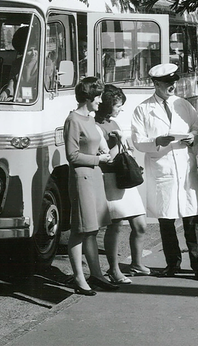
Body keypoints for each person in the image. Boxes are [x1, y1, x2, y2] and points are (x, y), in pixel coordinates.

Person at [130, 62, 198, 281]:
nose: (172, 87)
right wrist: (157, 140)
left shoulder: (183, 105)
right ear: (156, 84)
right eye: (167, 83)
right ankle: (172, 264)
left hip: (184, 166)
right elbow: (138, 140)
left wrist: (193, 138)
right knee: (166, 220)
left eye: (174, 82)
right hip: (163, 168)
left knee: (192, 218)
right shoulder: (143, 109)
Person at [64, 76, 119, 295]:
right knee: (80, 230)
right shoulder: (73, 120)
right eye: (97, 97)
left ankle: (95, 274)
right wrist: (99, 159)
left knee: (92, 229)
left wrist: (102, 153)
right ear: (88, 98)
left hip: (94, 177)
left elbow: (91, 146)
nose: (100, 101)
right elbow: (72, 155)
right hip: (82, 178)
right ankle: (79, 278)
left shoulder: (89, 119)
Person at [95, 84, 150, 284]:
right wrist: (119, 142)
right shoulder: (96, 126)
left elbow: (124, 151)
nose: (119, 110)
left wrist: (123, 144)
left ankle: (137, 262)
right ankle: (114, 269)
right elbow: (105, 157)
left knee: (140, 224)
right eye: (117, 106)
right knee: (116, 225)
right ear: (107, 105)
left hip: (124, 177)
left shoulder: (114, 124)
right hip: (110, 177)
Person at [0, 26, 38, 101]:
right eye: (29, 50)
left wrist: (20, 99)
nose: (33, 53)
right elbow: (11, 86)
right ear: (22, 51)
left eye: (35, 49)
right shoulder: (17, 64)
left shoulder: (43, 64)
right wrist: (6, 92)